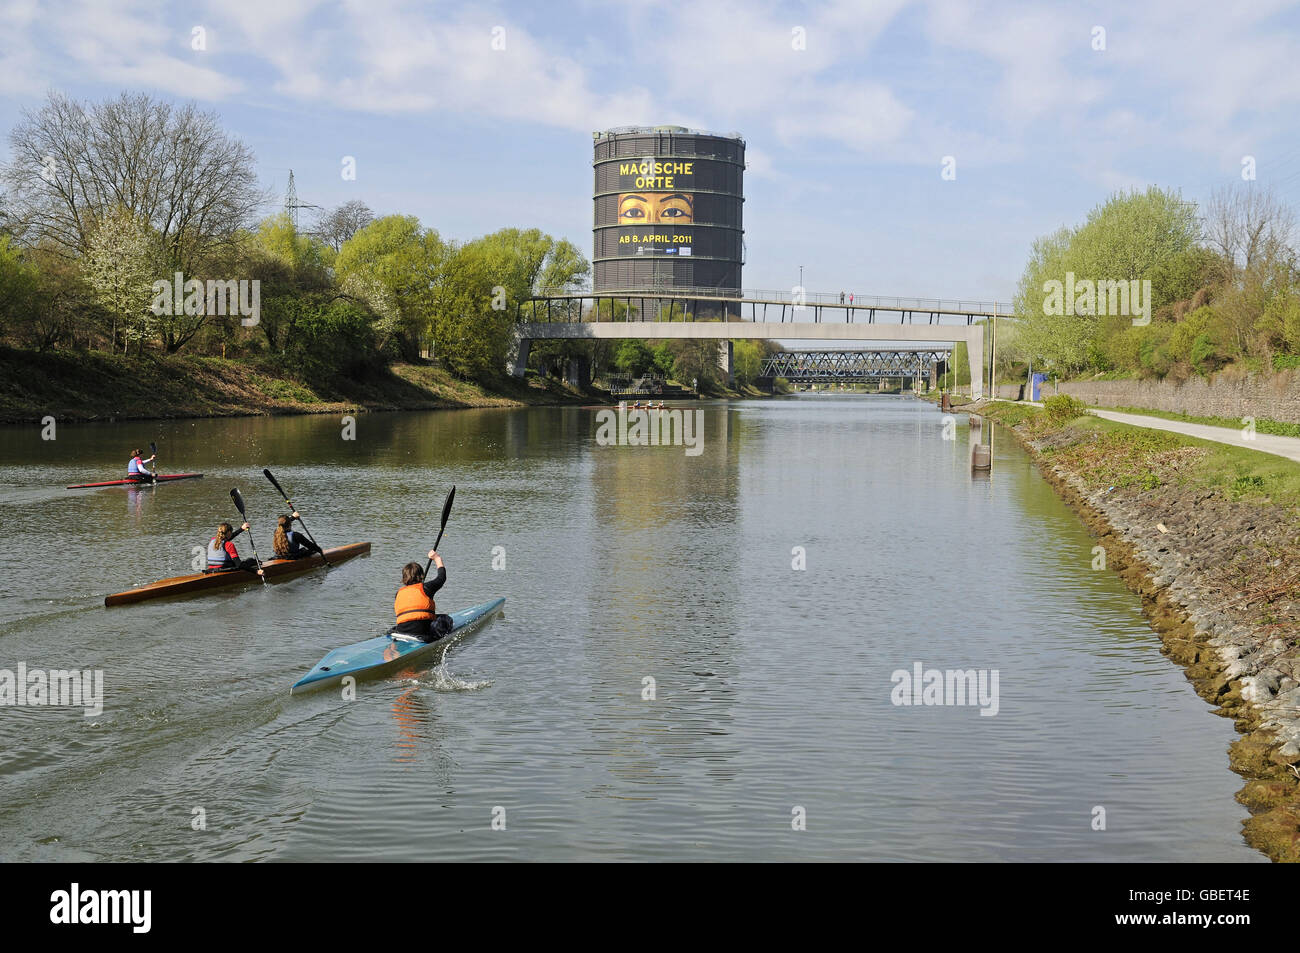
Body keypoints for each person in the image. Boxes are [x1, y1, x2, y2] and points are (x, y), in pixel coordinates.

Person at [393, 550, 453, 643]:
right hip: (421, 632)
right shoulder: (426, 588)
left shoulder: (398, 593)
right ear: (421, 575)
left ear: (404, 578)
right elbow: (442, 577)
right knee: (445, 619)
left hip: (402, 630)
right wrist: (437, 558)